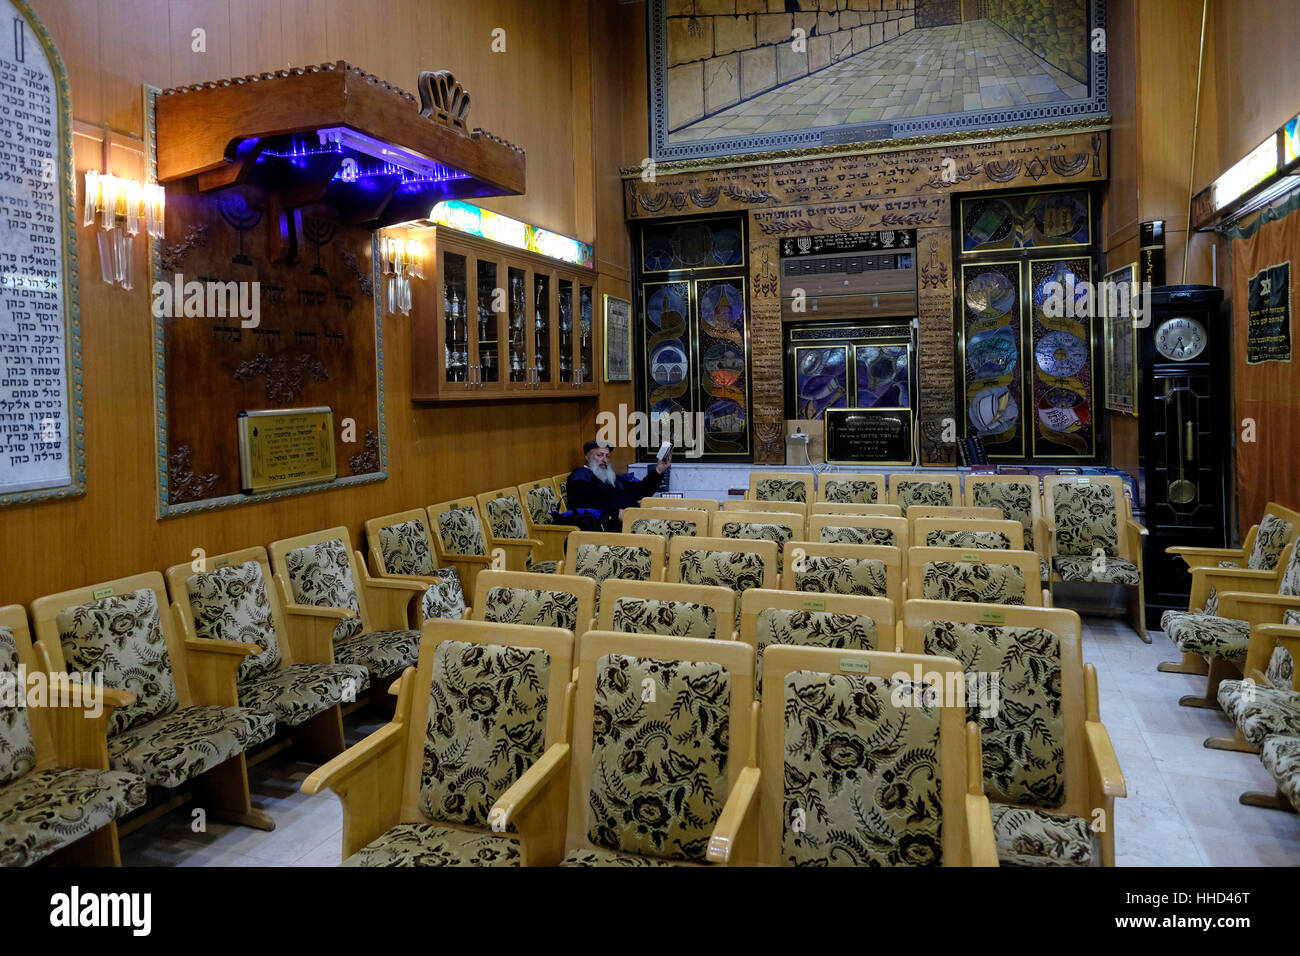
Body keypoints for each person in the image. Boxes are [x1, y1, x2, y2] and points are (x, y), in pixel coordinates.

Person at [566, 440, 671, 532]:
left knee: (670, 521)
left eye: (607, 456)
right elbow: (586, 501)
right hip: (609, 528)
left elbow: (639, 491)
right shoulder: (581, 475)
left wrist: (658, 470)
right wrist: (616, 511)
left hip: (632, 521)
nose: (604, 460)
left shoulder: (609, 477)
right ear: (587, 458)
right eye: (599, 455)